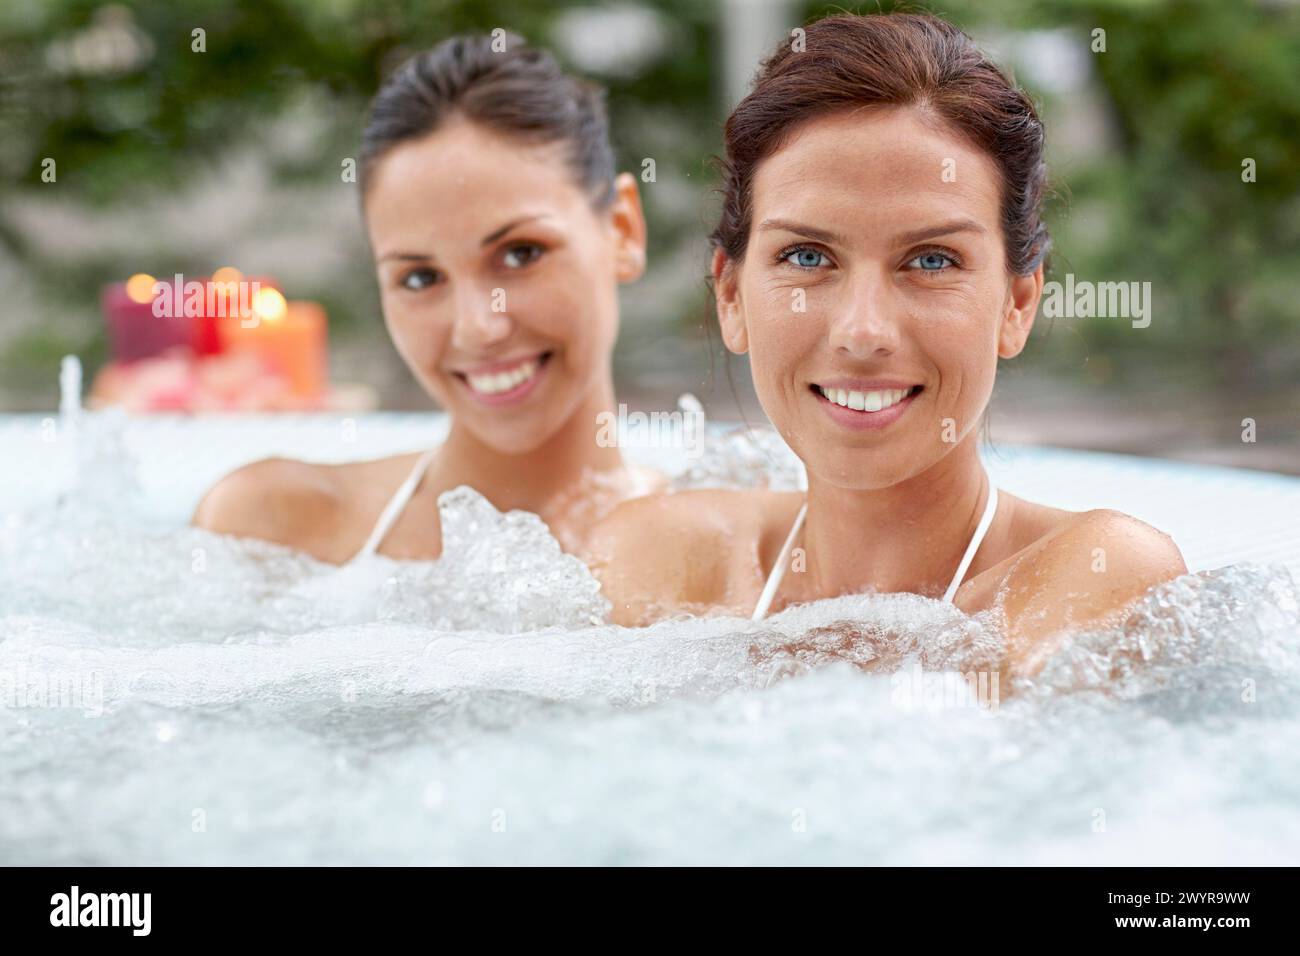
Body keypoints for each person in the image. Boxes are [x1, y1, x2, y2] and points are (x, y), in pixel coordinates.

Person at [587, 12, 1186, 676]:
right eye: (807, 256)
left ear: (1017, 305)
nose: (863, 332)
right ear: (731, 297)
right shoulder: (655, 562)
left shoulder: (1095, 575)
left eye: (931, 260)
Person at [193, 34, 658, 563]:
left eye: (521, 253)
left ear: (623, 230)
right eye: (420, 278)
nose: (478, 327)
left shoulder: (717, 550)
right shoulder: (272, 525)